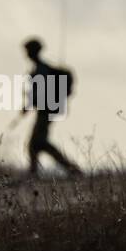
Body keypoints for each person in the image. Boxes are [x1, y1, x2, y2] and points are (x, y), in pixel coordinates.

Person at [20, 37, 81, 176]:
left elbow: (40, 91)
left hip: (47, 110)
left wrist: (28, 105)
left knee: (37, 143)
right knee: (38, 143)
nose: (26, 54)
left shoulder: (41, 69)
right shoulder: (40, 68)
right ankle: (69, 169)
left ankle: (69, 169)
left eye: (28, 51)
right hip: (47, 109)